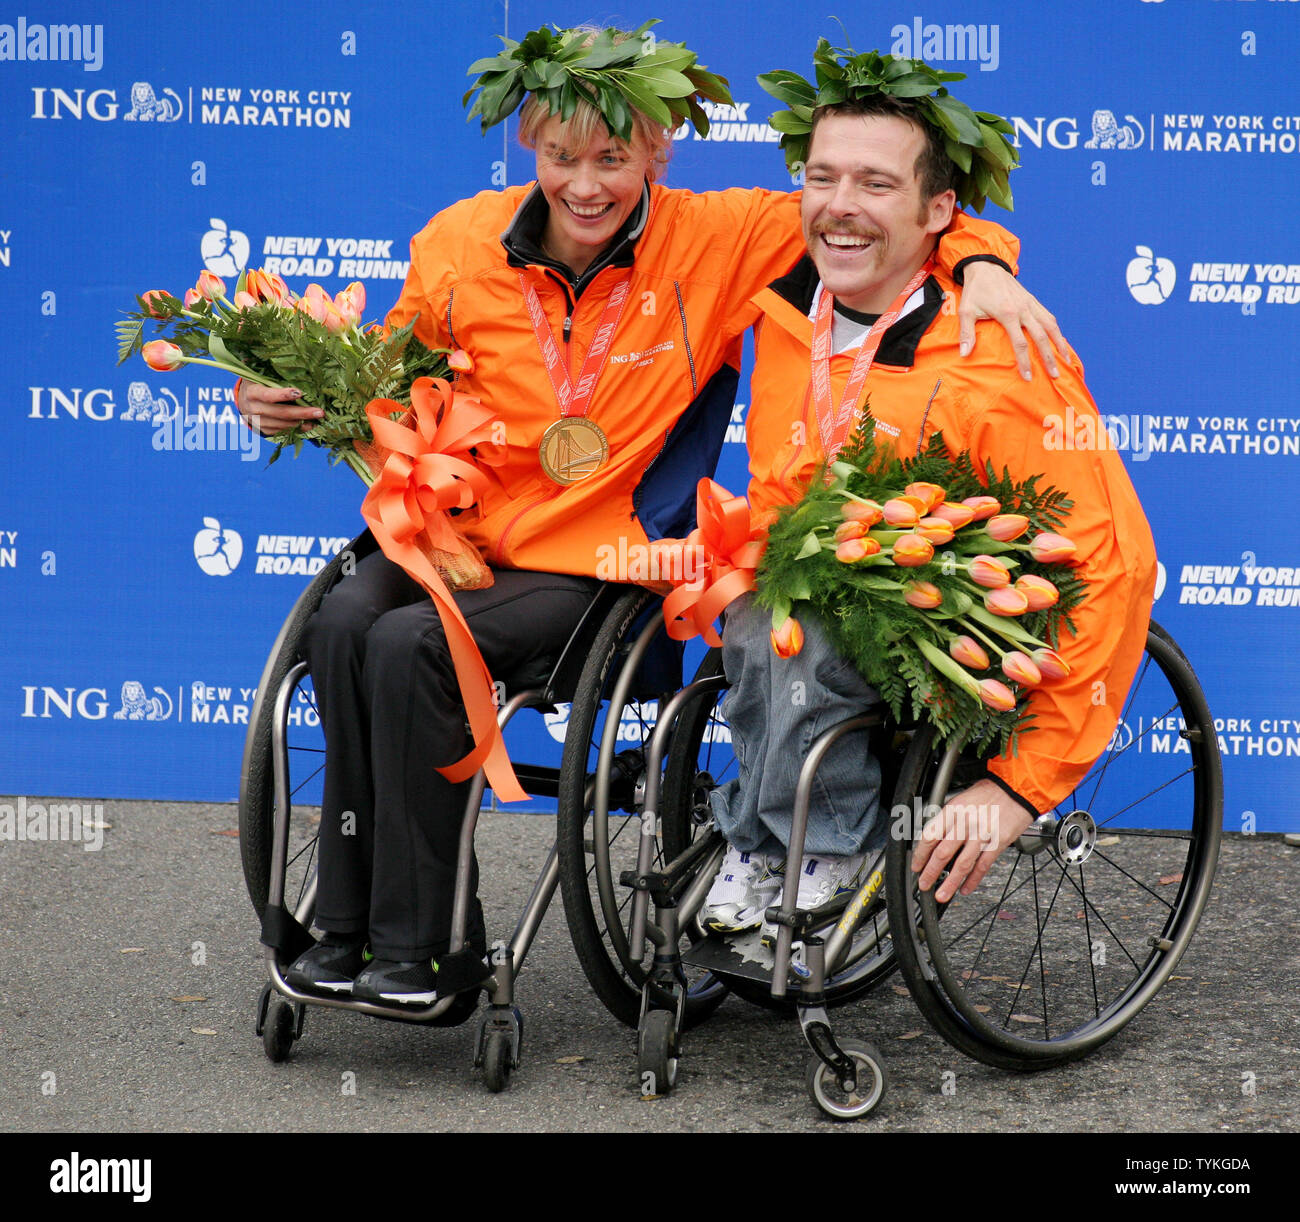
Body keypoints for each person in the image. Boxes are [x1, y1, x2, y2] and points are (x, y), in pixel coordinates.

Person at [236, 24, 1061, 1006]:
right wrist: (294, 398)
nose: (585, 185)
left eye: (613, 160)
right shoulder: (457, 242)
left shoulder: (718, 236)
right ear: (528, 149)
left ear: (659, 153)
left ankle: (426, 949)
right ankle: (340, 923)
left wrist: (983, 266)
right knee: (339, 621)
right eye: (560, 157)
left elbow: (874, 215)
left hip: (599, 561)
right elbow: (390, 385)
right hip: (456, 536)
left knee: (408, 643)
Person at [700, 50, 1157, 940]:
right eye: (821, 177)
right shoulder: (780, 299)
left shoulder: (999, 352)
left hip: (959, 633)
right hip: (801, 590)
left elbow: (1115, 565)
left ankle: (826, 846)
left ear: (940, 212)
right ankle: (755, 843)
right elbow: (613, 214)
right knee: (757, 610)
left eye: (877, 183)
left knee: (798, 623)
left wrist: (1020, 784)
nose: (841, 204)